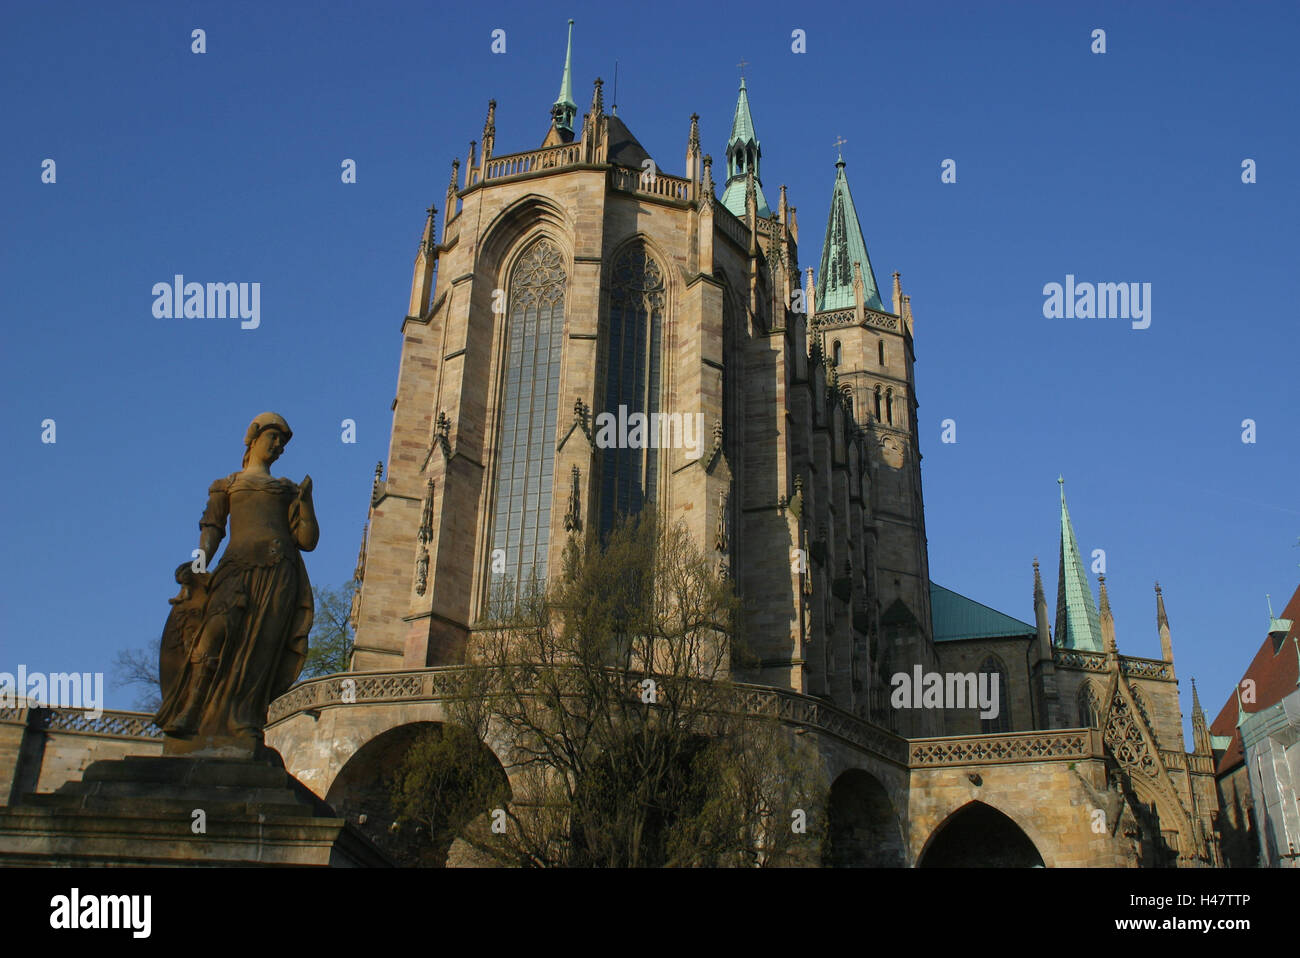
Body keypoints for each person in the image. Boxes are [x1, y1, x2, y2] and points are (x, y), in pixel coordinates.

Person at [157, 412, 316, 757]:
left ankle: (244, 720)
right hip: (237, 568)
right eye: (273, 438)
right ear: (254, 438)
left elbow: (306, 540)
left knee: (261, 647)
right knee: (214, 631)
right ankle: (193, 712)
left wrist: (307, 503)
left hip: (280, 571)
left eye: (283, 443)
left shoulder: (288, 489)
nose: (278, 447)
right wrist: (199, 566)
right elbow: (212, 529)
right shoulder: (226, 485)